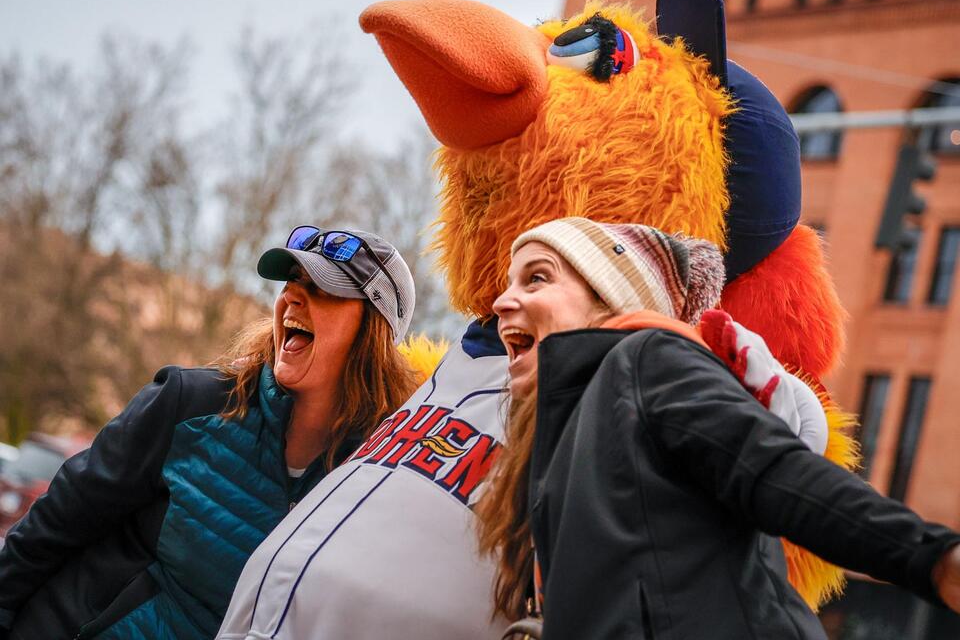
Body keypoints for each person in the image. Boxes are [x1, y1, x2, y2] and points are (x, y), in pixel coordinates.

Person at [478, 216, 960, 639]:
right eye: (509, 283)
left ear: (609, 297)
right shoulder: (569, 429)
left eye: (537, 278)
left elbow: (776, 471)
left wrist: (931, 558)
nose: (502, 302)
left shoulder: (647, 359)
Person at [0, 226, 418, 640]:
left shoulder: (370, 480)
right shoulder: (192, 403)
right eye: (292, 282)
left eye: (323, 289)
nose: (291, 296)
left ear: (374, 332)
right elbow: (53, 525)